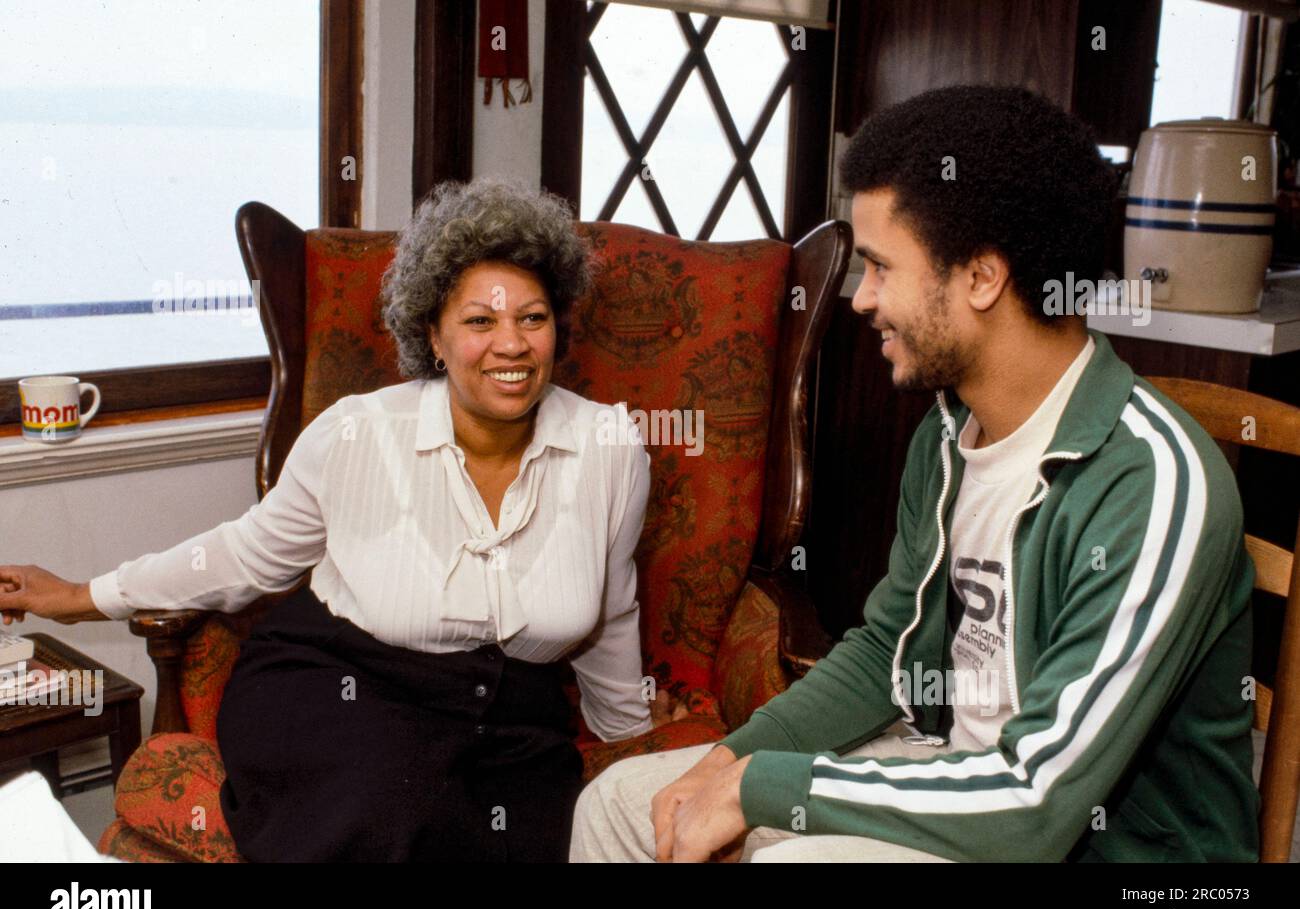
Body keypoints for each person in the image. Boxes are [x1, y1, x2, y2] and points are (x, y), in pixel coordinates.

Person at [570, 84, 1259, 863]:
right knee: (621, 806)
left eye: (879, 267)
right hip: (956, 775)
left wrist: (764, 789)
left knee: (793, 858)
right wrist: (732, 763)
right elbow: (886, 648)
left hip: (1116, 860)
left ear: (981, 278)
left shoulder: (1153, 485)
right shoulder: (947, 431)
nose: (861, 300)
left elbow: (1037, 805)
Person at [0, 178, 677, 862]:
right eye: (480, 321)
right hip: (339, 683)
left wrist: (629, 736)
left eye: (532, 318)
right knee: (384, 810)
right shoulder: (357, 433)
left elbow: (610, 611)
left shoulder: (609, 450)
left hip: (510, 723)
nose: (512, 344)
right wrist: (81, 597)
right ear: (433, 337)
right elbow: (244, 555)